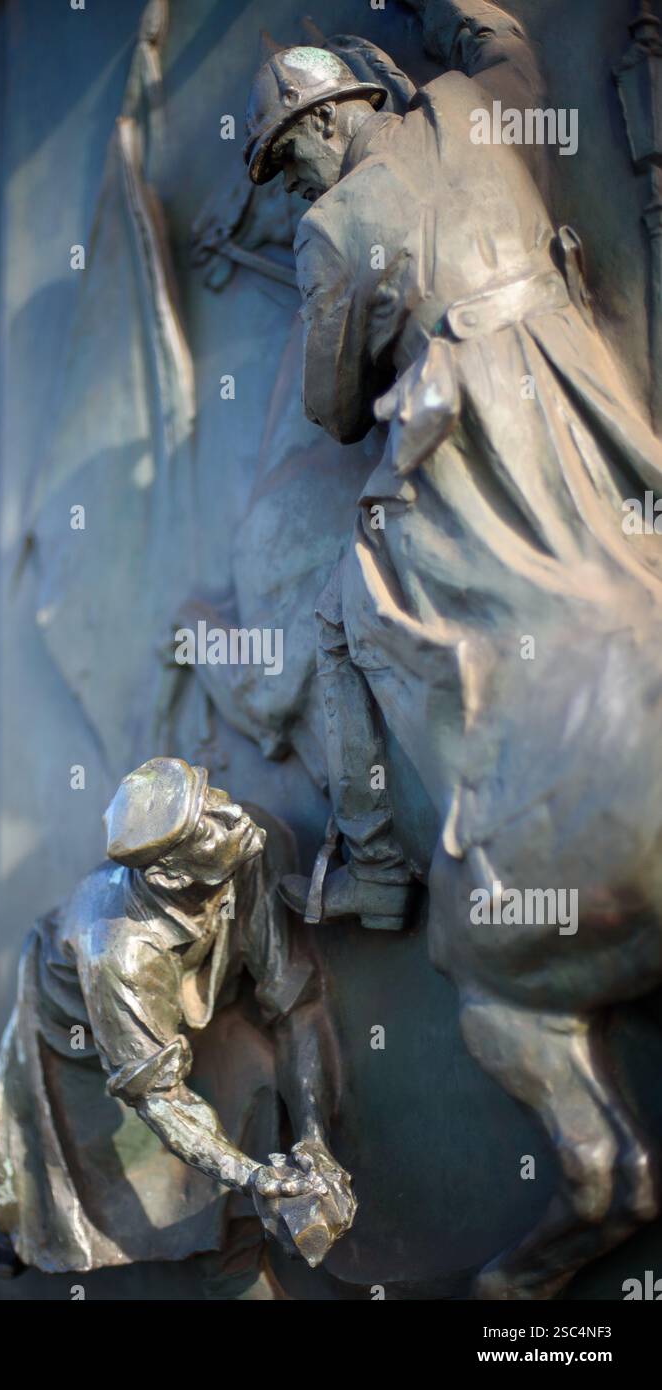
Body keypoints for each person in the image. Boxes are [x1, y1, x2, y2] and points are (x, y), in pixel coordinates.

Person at [244, 1, 662, 934]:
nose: (287, 189)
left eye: (286, 160)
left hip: (468, 435)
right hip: (575, 391)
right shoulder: (469, 104)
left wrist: (343, 301)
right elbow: (505, 41)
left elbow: (335, 410)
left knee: (335, 617)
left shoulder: (333, 226)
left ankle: (379, 873)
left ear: (325, 119)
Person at [0, 757, 355, 1297]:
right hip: (84, 1041)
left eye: (213, 794)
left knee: (253, 1095)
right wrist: (255, 1177)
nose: (231, 813)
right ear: (170, 875)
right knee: (72, 1190)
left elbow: (293, 1001)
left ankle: (235, 1254)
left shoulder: (243, 842)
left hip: (180, 1021)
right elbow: (160, 1100)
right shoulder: (121, 951)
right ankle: (6, 1219)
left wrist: (315, 1139)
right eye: (207, 821)